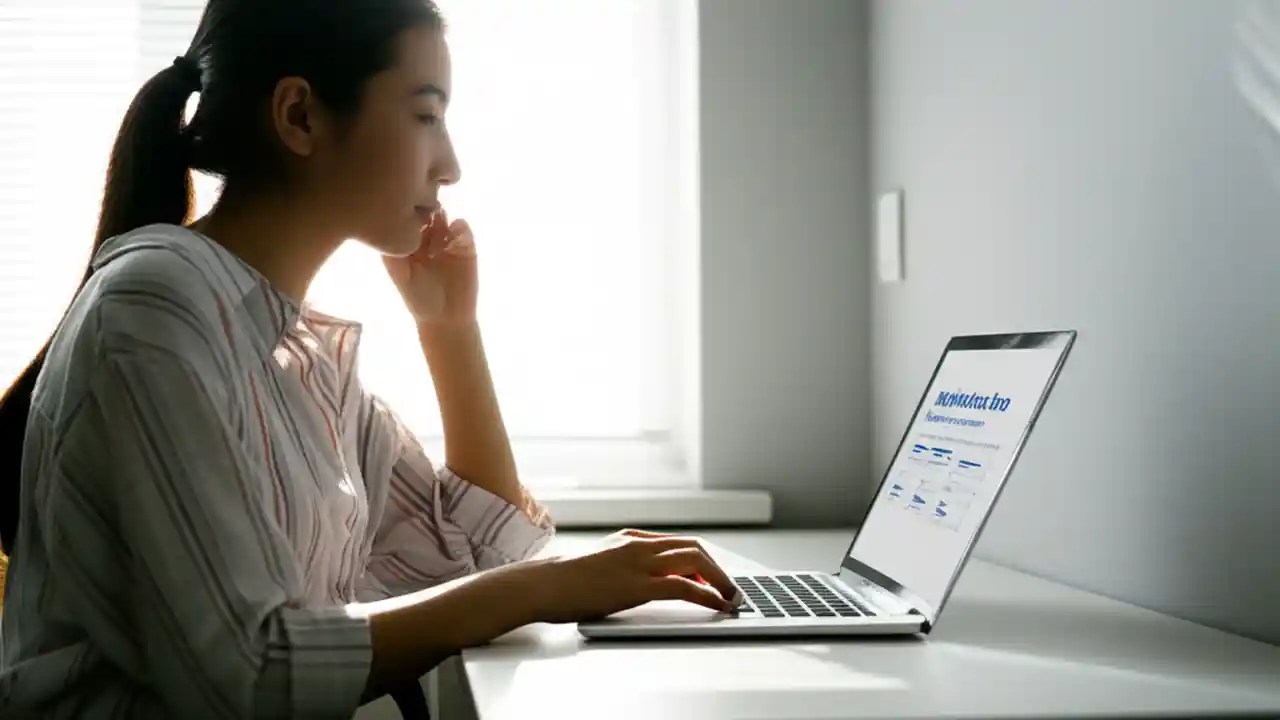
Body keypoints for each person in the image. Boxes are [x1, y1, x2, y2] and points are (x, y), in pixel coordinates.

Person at [0, 1, 741, 717]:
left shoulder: (298, 353)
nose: (448, 164)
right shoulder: (156, 308)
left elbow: (482, 553)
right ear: (300, 116)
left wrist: (450, 330)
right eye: (425, 115)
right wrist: (553, 589)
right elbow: (252, 677)